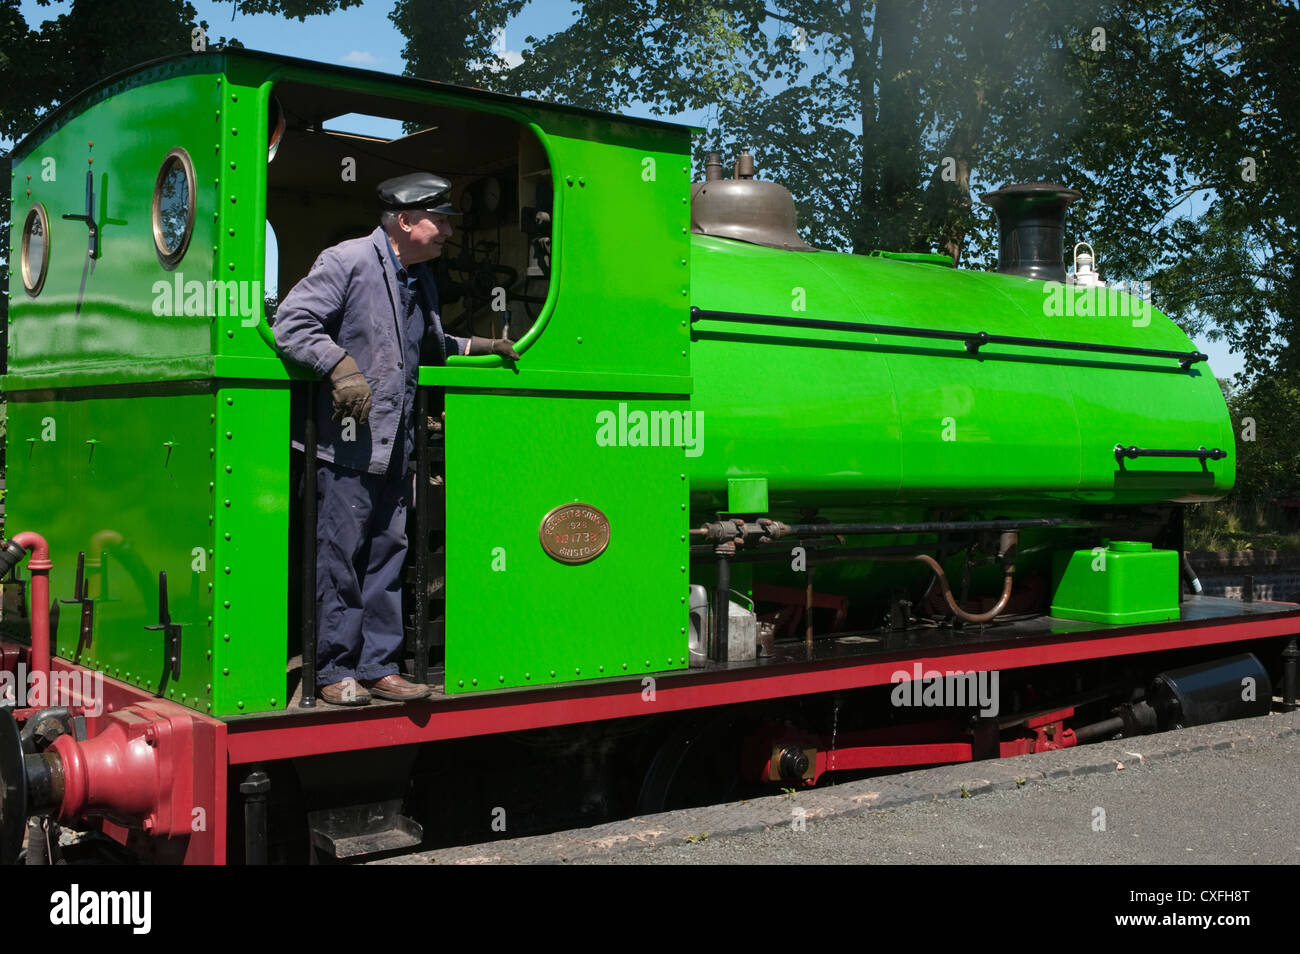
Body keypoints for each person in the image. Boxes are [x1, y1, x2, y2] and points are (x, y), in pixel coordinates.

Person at [272, 172, 520, 705]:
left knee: (388, 553)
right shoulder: (347, 260)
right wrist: (339, 365)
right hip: (344, 446)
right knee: (339, 557)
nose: (450, 230)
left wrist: (485, 345)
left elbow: (432, 345)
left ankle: (378, 666)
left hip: (393, 445)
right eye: (442, 219)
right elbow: (292, 324)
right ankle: (333, 671)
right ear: (406, 221)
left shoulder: (418, 277)